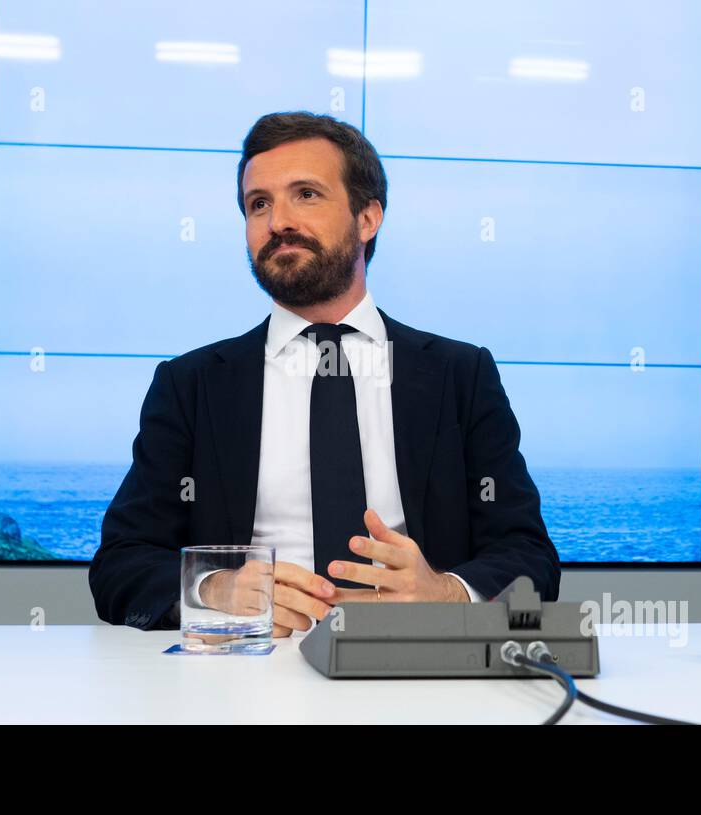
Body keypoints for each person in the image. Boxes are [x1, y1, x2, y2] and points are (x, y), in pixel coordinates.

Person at [90, 111, 560, 636]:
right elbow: (119, 567)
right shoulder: (191, 385)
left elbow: (530, 558)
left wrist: (446, 593)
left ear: (367, 218)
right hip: (244, 677)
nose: (278, 221)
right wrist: (213, 590)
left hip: (419, 672)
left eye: (306, 195)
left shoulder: (461, 376)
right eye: (258, 204)